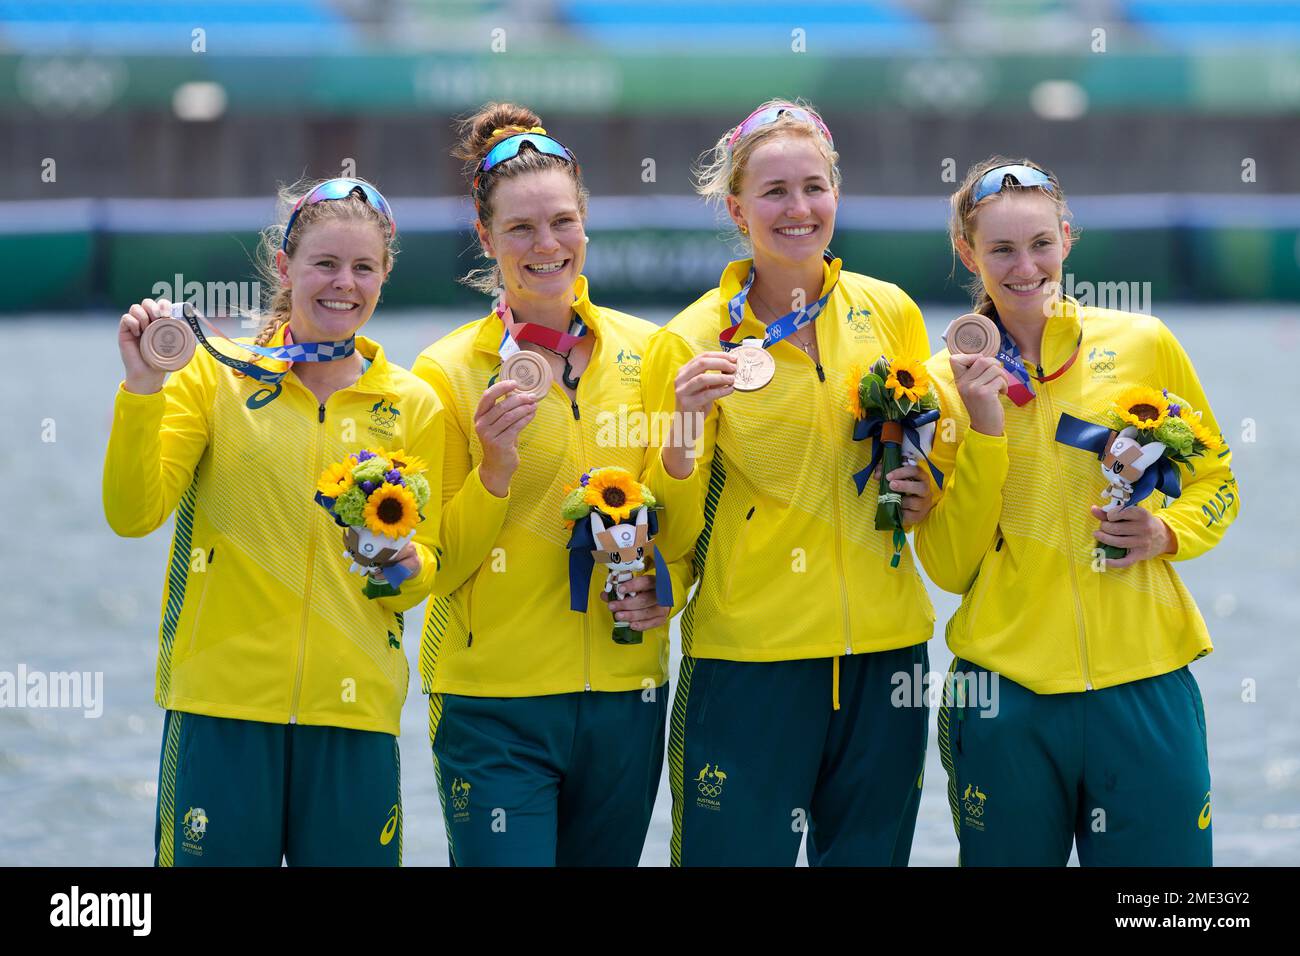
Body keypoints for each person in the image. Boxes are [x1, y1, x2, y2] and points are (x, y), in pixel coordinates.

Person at [104, 178, 444, 866]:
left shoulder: (414, 404)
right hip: (221, 714)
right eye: (324, 264)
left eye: (363, 267)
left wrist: (405, 567)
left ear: (383, 275)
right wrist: (143, 389)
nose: (342, 284)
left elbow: (418, 576)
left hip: (353, 720)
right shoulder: (214, 378)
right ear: (285, 268)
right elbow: (132, 515)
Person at [917, 157, 1239, 865]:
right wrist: (983, 427)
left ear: (1067, 238)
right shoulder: (941, 382)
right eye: (1000, 249)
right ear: (968, 254)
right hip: (1006, 699)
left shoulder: (1143, 343)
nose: (1024, 266)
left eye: (1040, 243)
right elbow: (947, 565)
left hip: (1145, 684)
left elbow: (1217, 483)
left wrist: (1166, 531)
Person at [641, 100, 937, 866]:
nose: (797, 208)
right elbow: (669, 531)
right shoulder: (689, 340)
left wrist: (932, 483)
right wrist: (681, 429)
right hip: (750, 667)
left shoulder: (891, 311)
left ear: (836, 193)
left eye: (814, 187)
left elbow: (929, 462)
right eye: (773, 192)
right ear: (737, 209)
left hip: (887, 657)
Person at [411, 103, 687, 866]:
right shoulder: (444, 374)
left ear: (586, 223)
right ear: (485, 236)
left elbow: (683, 520)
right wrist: (494, 473)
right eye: (521, 229)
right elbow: (437, 563)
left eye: (562, 222)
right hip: (492, 706)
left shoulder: (652, 351)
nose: (546, 245)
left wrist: (671, 587)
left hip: (626, 696)